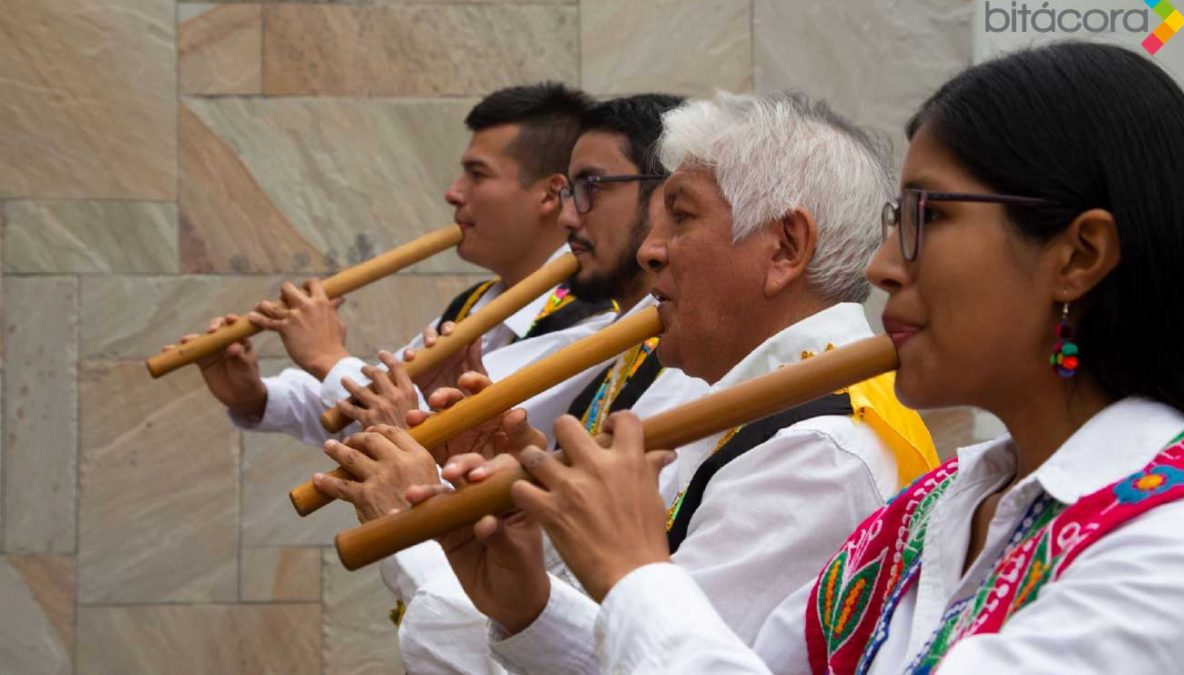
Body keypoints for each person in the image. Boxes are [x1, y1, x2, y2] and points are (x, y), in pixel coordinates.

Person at [455, 42, 1184, 674]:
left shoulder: (1173, 552)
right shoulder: (935, 508)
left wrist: (632, 569)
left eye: (926, 218)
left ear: (1080, 255)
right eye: (891, 222)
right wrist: (530, 606)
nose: (881, 267)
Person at [322, 91, 937, 673]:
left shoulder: (820, 451)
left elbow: (655, 658)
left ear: (785, 247)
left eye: (682, 216)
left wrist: (420, 535)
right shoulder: (750, 400)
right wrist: (538, 507)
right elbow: (624, 624)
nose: (650, 250)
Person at [177, 83, 618, 445]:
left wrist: (327, 355)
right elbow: (361, 413)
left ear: (548, 193)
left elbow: (427, 428)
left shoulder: (596, 319)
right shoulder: (478, 304)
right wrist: (255, 395)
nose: (453, 192)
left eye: (477, 174)